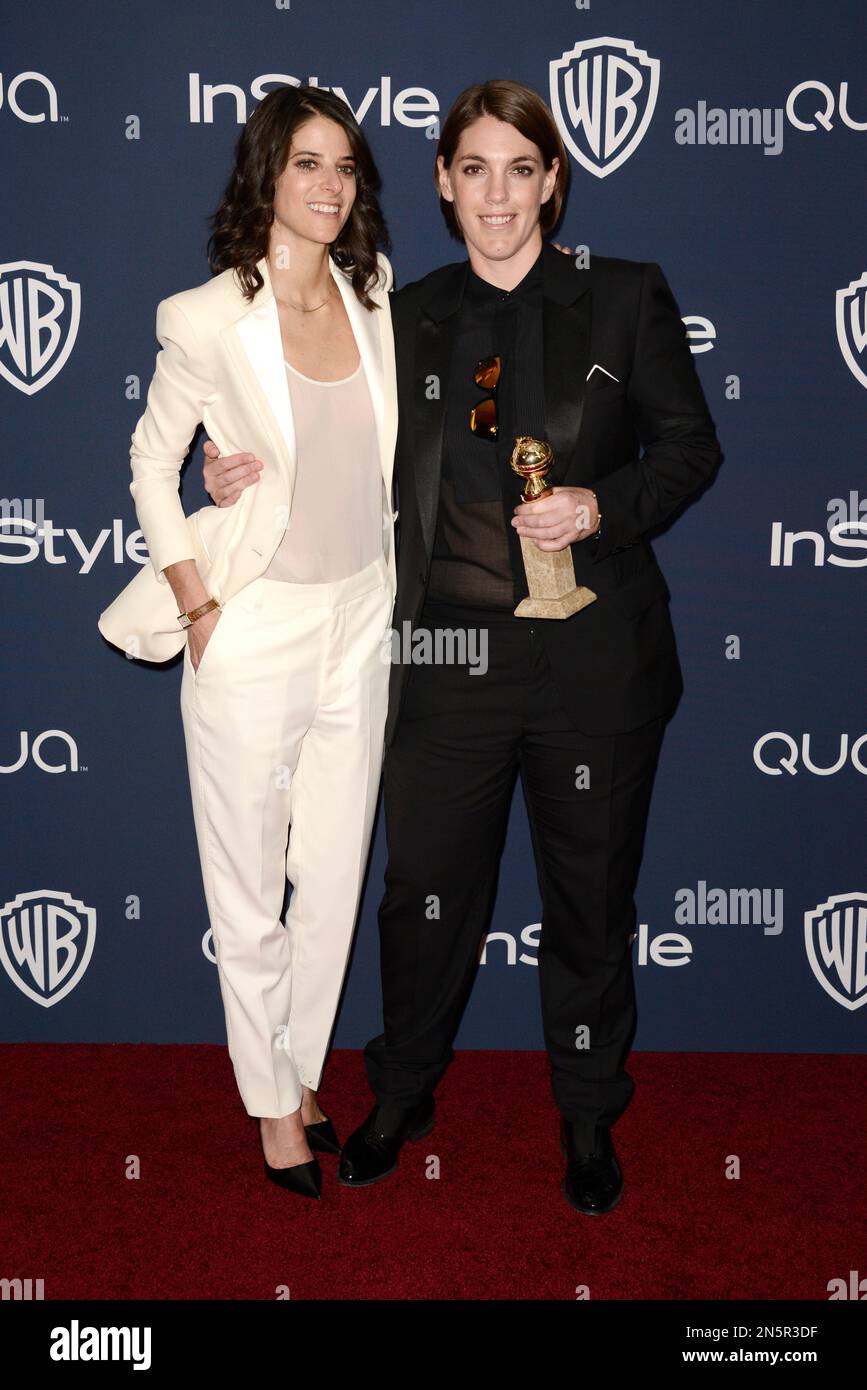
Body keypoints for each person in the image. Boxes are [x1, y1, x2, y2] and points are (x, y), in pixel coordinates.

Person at [201, 79, 724, 1215]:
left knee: (589, 899)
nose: (497, 193)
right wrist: (224, 463)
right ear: (443, 182)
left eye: (519, 169)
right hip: (447, 659)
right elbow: (310, 421)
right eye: (473, 168)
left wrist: (602, 507)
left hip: (594, 661)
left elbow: (691, 450)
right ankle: (402, 1092)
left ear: (552, 182)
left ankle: (587, 1116)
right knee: (424, 896)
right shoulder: (400, 312)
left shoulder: (627, 296)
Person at [97, 84, 398, 1201]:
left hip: (363, 616)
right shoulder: (207, 315)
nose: (330, 186)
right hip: (255, 621)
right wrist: (196, 602)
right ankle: (270, 1099)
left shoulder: (375, 297)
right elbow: (149, 459)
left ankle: (303, 1064)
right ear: (267, 174)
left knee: (329, 877)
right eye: (308, 164)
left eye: (347, 168)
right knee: (247, 884)